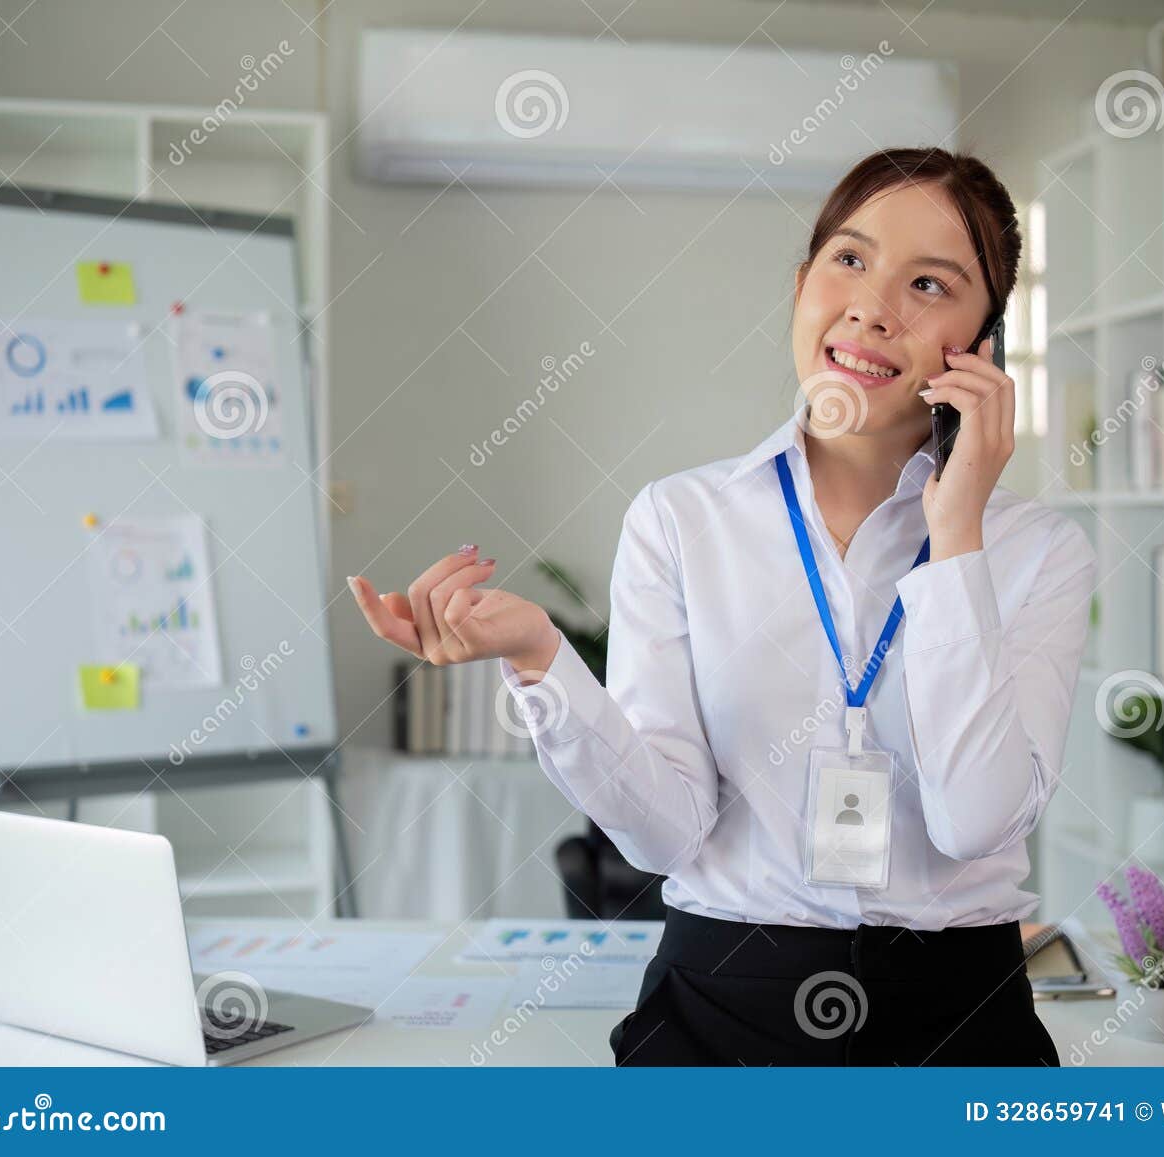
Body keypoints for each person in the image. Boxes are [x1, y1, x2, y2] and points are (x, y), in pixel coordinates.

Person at [349, 147, 1097, 1066]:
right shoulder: (678, 518)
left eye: (930, 283)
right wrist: (543, 658)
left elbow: (975, 822)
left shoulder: (1039, 553)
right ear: (803, 285)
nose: (873, 306)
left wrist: (957, 534)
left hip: (956, 1015)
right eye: (850, 261)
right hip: (721, 1000)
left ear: (984, 342)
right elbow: (666, 832)